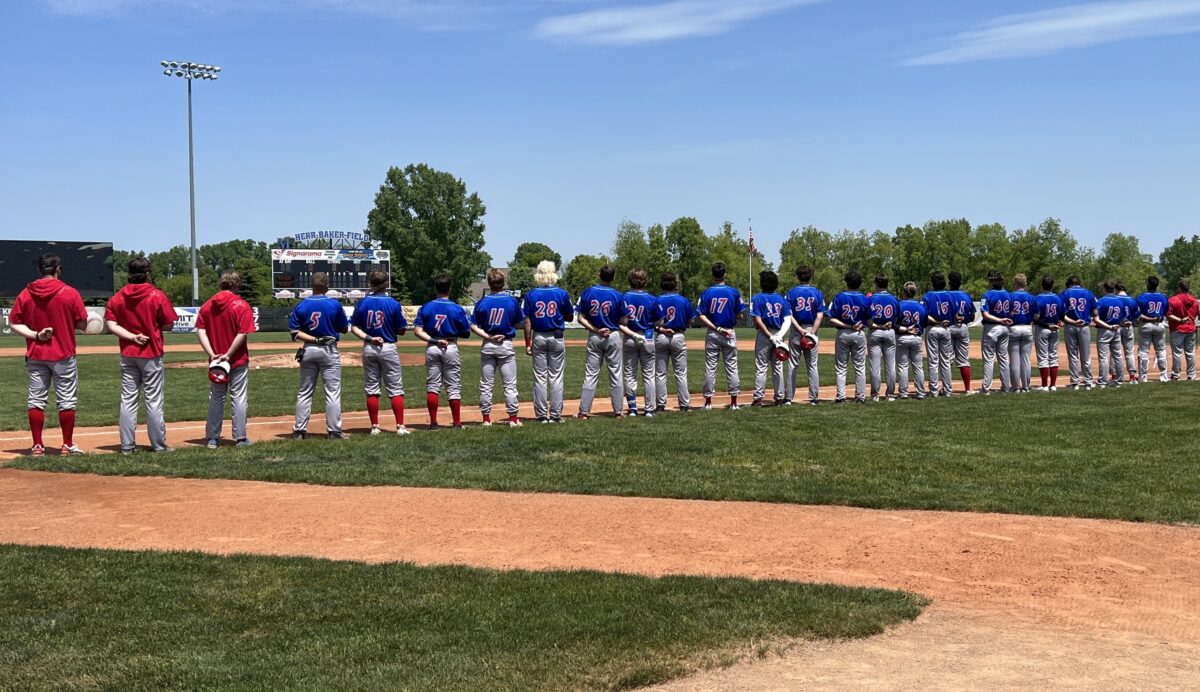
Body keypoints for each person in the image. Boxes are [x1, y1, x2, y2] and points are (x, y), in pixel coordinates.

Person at [8, 253, 88, 456]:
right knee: (67, 400)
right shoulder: (70, 292)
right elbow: (82, 324)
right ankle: (67, 445)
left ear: (39, 270)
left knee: (36, 400)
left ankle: (37, 445)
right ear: (58, 269)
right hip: (63, 353)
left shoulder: (26, 293)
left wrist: (36, 335)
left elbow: (14, 323)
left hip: (36, 353)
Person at [103, 257, 177, 453]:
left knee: (128, 400)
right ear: (147, 273)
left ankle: (127, 446)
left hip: (128, 353)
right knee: (153, 400)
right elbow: (168, 324)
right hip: (151, 352)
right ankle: (158, 445)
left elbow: (111, 325)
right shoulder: (156, 295)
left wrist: (132, 336)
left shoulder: (118, 297)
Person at [197, 271, 257, 448]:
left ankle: (212, 438)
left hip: (216, 362)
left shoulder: (207, 305)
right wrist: (229, 354)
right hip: (237, 359)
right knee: (238, 397)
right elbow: (242, 333)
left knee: (216, 397)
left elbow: (201, 331)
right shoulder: (241, 304)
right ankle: (240, 438)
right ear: (236, 284)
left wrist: (212, 353)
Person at [289, 272, 349, 439]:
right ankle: (334, 432)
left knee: (305, 392)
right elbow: (344, 328)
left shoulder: (302, 304)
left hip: (309, 349)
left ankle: (299, 431)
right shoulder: (334, 304)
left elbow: (294, 332)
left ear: (311, 286)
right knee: (332, 392)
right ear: (327, 286)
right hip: (329, 350)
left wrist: (315, 339)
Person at [349, 270, 410, 436]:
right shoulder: (393, 303)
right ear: (386, 284)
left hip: (369, 346)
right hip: (388, 346)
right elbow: (402, 330)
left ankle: (375, 426)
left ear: (370, 283)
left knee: (372, 388)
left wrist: (369, 338)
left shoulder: (362, 303)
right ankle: (400, 426)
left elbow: (354, 328)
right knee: (395, 388)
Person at [414, 274, 473, 429]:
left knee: (433, 386)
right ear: (450, 288)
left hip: (432, 345)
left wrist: (434, 340)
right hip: (450, 346)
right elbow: (466, 332)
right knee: (453, 386)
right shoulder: (457, 308)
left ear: (435, 288)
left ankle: (433, 423)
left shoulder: (425, 307)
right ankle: (457, 423)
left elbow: (418, 331)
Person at [522, 260, 574, 423]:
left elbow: (527, 321)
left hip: (538, 336)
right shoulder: (562, 293)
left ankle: (542, 415)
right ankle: (555, 415)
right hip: (556, 335)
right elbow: (570, 316)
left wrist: (528, 343)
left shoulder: (531, 294)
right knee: (556, 377)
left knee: (540, 378)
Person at [472, 269, 524, 427]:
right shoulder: (511, 301)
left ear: (489, 283)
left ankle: (486, 419)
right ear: (503, 283)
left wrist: (488, 336)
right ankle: (513, 419)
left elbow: (473, 326)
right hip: (505, 343)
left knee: (486, 384)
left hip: (488, 344)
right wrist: (508, 325)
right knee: (509, 384)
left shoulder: (482, 302)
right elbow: (520, 323)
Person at [576, 265, 628, 419]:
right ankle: (618, 412)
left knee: (591, 375)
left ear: (599, 275)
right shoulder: (618, 295)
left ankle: (583, 412)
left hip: (594, 335)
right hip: (612, 335)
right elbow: (624, 321)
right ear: (613, 277)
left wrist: (597, 329)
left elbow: (580, 318)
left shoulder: (588, 292)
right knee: (616, 374)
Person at [697, 262, 747, 410]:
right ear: (725, 274)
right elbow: (741, 315)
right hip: (729, 332)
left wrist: (716, 327)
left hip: (713, 332)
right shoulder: (733, 292)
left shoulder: (706, 292)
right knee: (732, 366)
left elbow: (701, 315)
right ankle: (734, 402)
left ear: (712, 275)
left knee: (710, 367)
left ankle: (708, 402)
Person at [784, 265, 826, 406]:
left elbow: (788, 314)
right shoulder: (817, 293)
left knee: (792, 365)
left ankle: (788, 398)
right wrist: (812, 332)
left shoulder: (791, 292)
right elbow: (820, 315)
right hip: (811, 328)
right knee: (812, 366)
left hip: (797, 330)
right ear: (810, 276)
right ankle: (813, 398)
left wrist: (800, 330)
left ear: (797, 276)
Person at [654, 272, 696, 412]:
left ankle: (660, 405)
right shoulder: (683, 300)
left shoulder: (657, 300)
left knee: (660, 373)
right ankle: (684, 405)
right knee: (680, 373)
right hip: (678, 335)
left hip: (661, 335)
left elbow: (653, 322)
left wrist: (660, 328)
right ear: (674, 284)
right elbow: (691, 320)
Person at [621, 269, 661, 416]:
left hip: (630, 336)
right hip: (647, 337)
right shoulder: (652, 299)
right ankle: (649, 409)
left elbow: (622, 321)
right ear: (645, 281)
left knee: (630, 373)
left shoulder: (624, 297)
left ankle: (632, 408)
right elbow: (660, 322)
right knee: (649, 375)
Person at [828, 269, 870, 403]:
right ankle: (860, 396)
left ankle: (840, 396)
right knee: (860, 367)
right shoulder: (865, 299)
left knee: (841, 367)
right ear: (860, 283)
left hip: (843, 333)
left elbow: (831, 318)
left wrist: (848, 325)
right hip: (859, 333)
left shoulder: (839, 297)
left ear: (846, 282)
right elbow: (870, 319)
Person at [750, 270, 788, 406]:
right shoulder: (781, 299)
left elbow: (758, 320)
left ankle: (758, 398)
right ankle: (779, 397)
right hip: (779, 334)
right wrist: (779, 336)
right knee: (778, 366)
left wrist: (769, 336)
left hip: (764, 334)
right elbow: (787, 319)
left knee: (761, 367)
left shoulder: (757, 298)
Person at [866, 273, 900, 401]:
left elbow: (869, 322)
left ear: (876, 283)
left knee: (875, 365)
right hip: (889, 331)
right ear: (887, 283)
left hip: (875, 331)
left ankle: (875, 395)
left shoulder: (871, 299)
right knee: (890, 365)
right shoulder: (893, 298)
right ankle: (890, 394)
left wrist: (879, 326)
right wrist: (890, 322)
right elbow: (897, 316)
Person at [1061, 275, 1098, 389]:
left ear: (1069, 283)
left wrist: (1073, 320)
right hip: (1084, 326)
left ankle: (1075, 383)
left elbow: (1060, 313)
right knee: (1086, 355)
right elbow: (1095, 312)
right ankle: (1088, 382)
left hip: (1070, 326)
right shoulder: (1088, 293)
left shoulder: (1064, 293)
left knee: (1073, 356)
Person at [979, 270, 1012, 395]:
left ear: (991, 281)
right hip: (1005, 328)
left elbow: (985, 314)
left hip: (992, 328)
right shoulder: (1008, 294)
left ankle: (986, 388)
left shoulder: (987, 295)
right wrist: (1005, 319)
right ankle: (1006, 387)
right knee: (1003, 358)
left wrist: (999, 319)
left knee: (989, 359)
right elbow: (1012, 311)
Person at [923, 271, 954, 397]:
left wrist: (937, 321)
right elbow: (955, 312)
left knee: (933, 361)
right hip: (945, 329)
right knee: (946, 361)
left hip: (933, 328)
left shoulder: (928, 296)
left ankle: (934, 391)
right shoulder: (949, 295)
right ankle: (947, 390)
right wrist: (947, 320)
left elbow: (925, 314)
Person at [895, 282, 927, 399]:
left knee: (903, 367)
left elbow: (894, 323)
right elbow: (925, 323)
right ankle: (921, 392)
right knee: (918, 366)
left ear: (904, 292)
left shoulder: (899, 305)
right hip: (916, 337)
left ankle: (904, 393)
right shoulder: (921, 306)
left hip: (902, 337)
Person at [1135, 276, 1170, 383]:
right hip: (1159, 325)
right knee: (1161, 351)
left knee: (1144, 351)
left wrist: (1150, 318)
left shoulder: (1141, 297)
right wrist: (1156, 318)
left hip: (1145, 325)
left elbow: (1138, 314)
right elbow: (1165, 312)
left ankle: (1143, 376)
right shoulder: (1163, 297)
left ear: (1148, 284)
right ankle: (1164, 376)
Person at [1033, 275, 1064, 391]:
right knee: (1053, 357)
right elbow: (1062, 316)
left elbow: (1035, 319)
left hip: (1043, 328)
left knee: (1043, 357)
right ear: (1052, 285)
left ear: (1042, 285)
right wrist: (1059, 322)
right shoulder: (1058, 298)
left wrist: (1048, 325)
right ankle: (1053, 385)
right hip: (1055, 328)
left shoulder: (1037, 298)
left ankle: (1045, 385)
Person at [948, 271, 976, 394]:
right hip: (962, 327)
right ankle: (968, 389)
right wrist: (963, 319)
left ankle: (946, 389)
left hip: (948, 327)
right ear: (960, 282)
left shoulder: (946, 295)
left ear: (949, 282)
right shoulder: (966, 296)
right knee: (964, 360)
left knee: (947, 360)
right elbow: (972, 317)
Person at [1095, 281, 1127, 388]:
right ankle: (1119, 380)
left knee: (1103, 357)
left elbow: (1096, 319)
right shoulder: (1119, 301)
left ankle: (1102, 381)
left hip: (1104, 330)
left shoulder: (1101, 301)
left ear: (1105, 289)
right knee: (1118, 356)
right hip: (1116, 329)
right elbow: (1123, 318)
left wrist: (1109, 326)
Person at [1007, 274, 1035, 393]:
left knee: (1014, 360)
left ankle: (1016, 387)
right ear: (1025, 283)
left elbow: (1007, 314)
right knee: (1026, 360)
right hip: (1027, 327)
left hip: (1013, 327)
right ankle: (1026, 387)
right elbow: (1036, 315)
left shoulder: (1010, 296)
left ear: (1015, 283)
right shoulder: (1031, 297)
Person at [1167, 279, 1198, 380]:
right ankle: (1191, 375)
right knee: (1190, 353)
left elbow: (1169, 315)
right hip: (1191, 329)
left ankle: (1176, 375)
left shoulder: (1173, 300)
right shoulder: (1195, 301)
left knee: (1177, 353)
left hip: (1177, 329)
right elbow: (1197, 314)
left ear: (1180, 288)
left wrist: (1180, 320)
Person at [1116, 282, 1139, 383]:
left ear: (1116, 289)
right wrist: (1130, 320)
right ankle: (1132, 377)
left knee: (1116, 352)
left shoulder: (1114, 299)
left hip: (1116, 327)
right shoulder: (1132, 300)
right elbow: (1137, 314)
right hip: (1128, 326)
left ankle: (1115, 376)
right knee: (1129, 353)